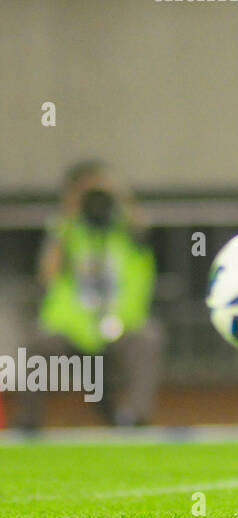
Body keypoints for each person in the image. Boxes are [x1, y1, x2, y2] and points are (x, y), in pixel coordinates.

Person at [18, 160, 163, 429]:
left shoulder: (124, 228)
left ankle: (135, 417)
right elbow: (47, 276)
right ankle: (28, 424)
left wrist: (116, 192)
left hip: (121, 325)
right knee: (36, 343)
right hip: (72, 329)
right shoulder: (67, 230)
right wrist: (68, 214)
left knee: (148, 337)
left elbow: (141, 226)